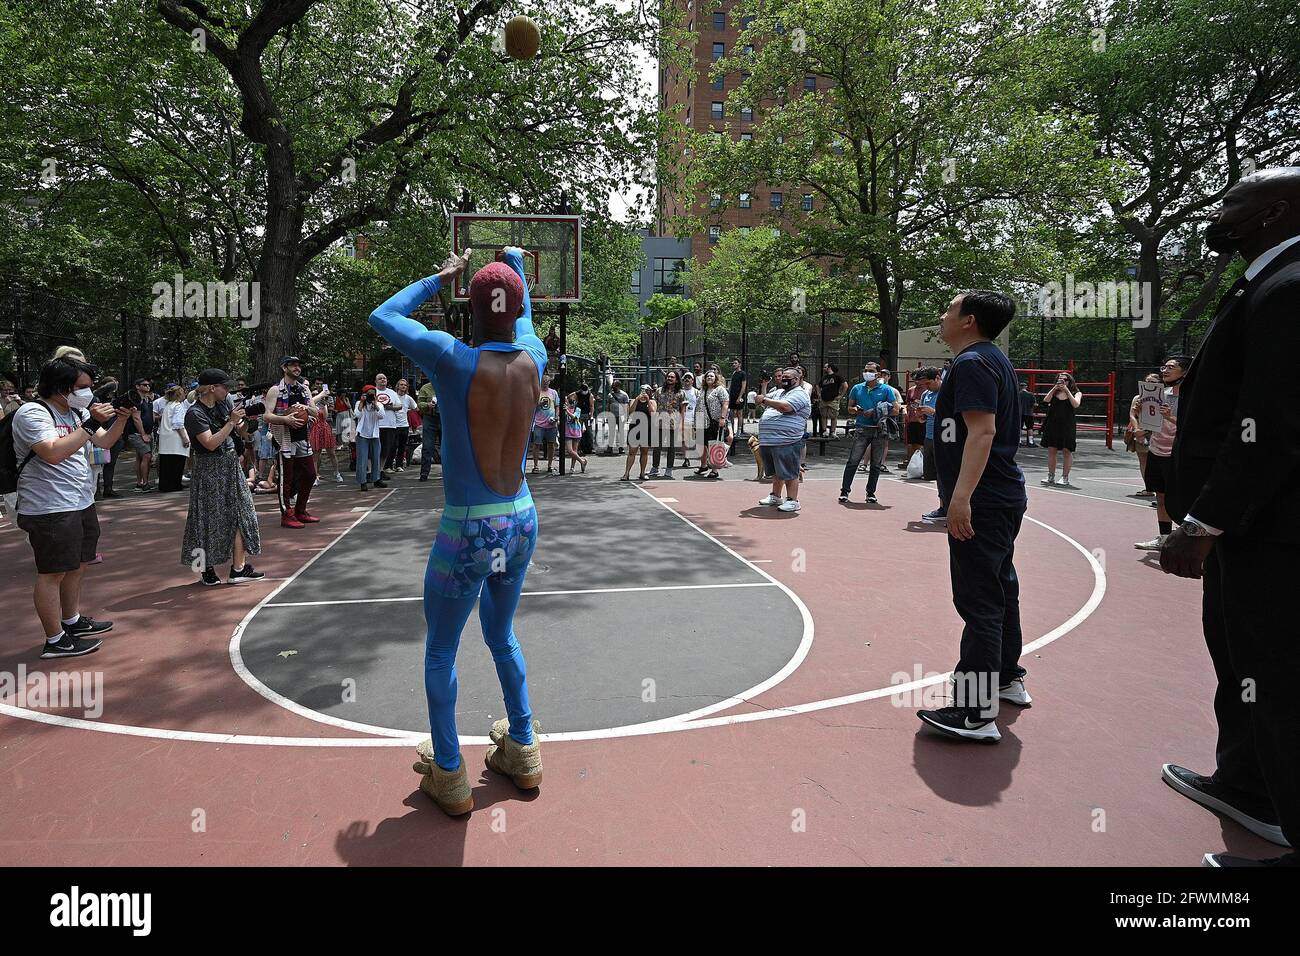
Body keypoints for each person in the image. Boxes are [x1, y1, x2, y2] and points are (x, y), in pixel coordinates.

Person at [369, 246, 545, 816]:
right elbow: (525, 315)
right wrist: (514, 262)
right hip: (520, 518)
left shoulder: (451, 358)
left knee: (442, 650)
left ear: (470, 310)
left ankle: (449, 773)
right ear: (517, 308)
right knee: (503, 635)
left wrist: (438, 277)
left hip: (469, 529)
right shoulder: (535, 358)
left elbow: (383, 317)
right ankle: (522, 745)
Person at [1160, 167, 1300, 867]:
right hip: (1251, 533)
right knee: (1241, 661)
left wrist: (1204, 521)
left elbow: (1269, 423)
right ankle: (1247, 785)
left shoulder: (1291, 286)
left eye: (1231, 204)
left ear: (1274, 211)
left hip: (1272, 534)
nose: (1217, 214)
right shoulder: (1261, 283)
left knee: (1276, 678)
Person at [915, 290, 1028, 743]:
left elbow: (982, 432)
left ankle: (974, 712)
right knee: (1002, 588)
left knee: (979, 599)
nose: (942, 315)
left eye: (950, 309)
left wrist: (959, 499)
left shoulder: (971, 364)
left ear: (969, 320)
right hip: (1000, 496)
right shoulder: (992, 359)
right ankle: (1005, 677)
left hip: (983, 500)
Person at [11, 355, 131, 658]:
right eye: (82, 386)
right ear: (61, 386)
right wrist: (92, 423)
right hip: (48, 507)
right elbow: (52, 452)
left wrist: (122, 417)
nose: (87, 392)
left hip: (80, 500)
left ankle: (72, 621)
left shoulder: (75, 412)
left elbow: (103, 443)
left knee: (78, 564)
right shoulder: (33, 413)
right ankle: (55, 640)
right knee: (52, 572)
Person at [182, 369, 265, 587]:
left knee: (242, 513)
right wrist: (230, 423)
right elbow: (209, 443)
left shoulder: (223, 406)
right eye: (224, 386)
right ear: (212, 388)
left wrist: (244, 421)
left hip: (230, 465)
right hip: (208, 468)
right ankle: (204, 569)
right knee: (204, 519)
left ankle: (239, 568)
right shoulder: (194, 413)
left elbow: (241, 432)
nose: (228, 390)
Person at [1134, 358, 1189, 551]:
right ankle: (1164, 538)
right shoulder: (1160, 394)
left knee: (1182, 499)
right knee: (1161, 497)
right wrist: (1143, 426)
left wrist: (1170, 417)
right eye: (1164, 367)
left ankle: (1187, 540)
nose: (1165, 370)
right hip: (1156, 450)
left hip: (1177, 453)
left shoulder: (1190, 397)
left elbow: (1193, 426)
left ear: (1185, 372)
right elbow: (1153, 422)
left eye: (1171, 367)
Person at [263, 356, 319, 528]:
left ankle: (300, 510)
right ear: (284, 368)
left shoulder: (304, 390)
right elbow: (267, 416)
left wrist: (306, 409)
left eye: (298, 365)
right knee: (286, 479)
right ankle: (286, 514)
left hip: (302, 437)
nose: (297, 368)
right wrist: (285, 419)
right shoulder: (275, 390)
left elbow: (315, 412)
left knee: (310, 474)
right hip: (284, 439)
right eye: (293, 365)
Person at [840, 361, 900, 504]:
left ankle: (871, 493)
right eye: (866, 370)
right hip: (861, 428)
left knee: (876, 463)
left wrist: (876, 411)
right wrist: (857, 410)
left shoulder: (886, 390)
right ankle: (844, 491)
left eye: (871, 370)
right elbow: (849, 408)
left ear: (878, 374)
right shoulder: (857, 388)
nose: (867, 372)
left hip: (879, 429)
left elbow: (895, 409)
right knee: (853, 460)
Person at [755, 366, 810, 512]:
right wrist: (764, 388)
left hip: (787, 441)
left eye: (787, 377)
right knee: (775, 471)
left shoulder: (800, 393)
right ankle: (776, 496)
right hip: (770, 441)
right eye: (782, 377)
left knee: (789, 471)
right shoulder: (779, 392)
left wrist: (765, 400)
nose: (784, 379)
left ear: (797, 379)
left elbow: (786, 407)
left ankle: (793, 500)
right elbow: (764, 399)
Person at [1039, 371, 1081, 487]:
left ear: (1070, 381)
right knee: (1051, 450)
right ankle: (1050, 476)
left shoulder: (1076, 393)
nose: (1062, 382)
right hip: (1053, 423)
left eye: (1065, 380)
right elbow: (1046, 400)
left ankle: (1065, 477)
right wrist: (1054, 388)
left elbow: (1076, 404)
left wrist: (1067, 391)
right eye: (1060, 379)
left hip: (1068, 424)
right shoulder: (1054, 392)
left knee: (1067, 450)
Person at [1125, 373, 1161, 498]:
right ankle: (1149, 488)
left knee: (1160, 461)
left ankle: (1162, 490)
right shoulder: (1138, 398)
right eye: (1148, 382)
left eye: (1153, 382)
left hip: (1159, 432)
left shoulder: (1164, 396)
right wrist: (1137, 430)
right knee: (1143, 461)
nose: (1150, 384)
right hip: (1141, 431)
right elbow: (1132, 415)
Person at [694, 368, 730, 479]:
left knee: (713, 444)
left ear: (716, 378)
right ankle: (704, 465)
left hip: (713, 421)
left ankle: (715, 469)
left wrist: (722, 418)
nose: (709, 378)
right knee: (702, 445)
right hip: (701, 421)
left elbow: (725, 404)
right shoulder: (702, 390)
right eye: (707, 376)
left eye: (711, 376)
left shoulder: (719, 389)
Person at [649, 369, 685, 479]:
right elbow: (653, 404)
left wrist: (682, 424)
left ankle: (669, 469)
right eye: (668, 377)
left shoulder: (681, 393)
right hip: (659, 422)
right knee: (657, 446)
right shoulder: (659, 391)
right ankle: (655, 468)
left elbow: (683, 409)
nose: (669, 378)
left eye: (672, 377)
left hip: (673, 423)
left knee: (671, 447)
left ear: (677, 379)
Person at [156, 384, 190, 492]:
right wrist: (184, 438)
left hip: (165, 438)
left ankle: (165, 485)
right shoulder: (178, 406)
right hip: (175, 438)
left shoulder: (168, 405)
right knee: (177, 463)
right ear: (180, 394)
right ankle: (175, 485)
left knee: (166, 464)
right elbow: (178, 424)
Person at [124, 377, 155, 492]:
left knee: (140, 457)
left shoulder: (147, 400)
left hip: (146, 432)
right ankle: (144, 484)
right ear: (137, 386)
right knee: (147, 455)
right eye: (145, 385)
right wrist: (143, 434)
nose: (148, 386)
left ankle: (139, 483)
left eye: (148, 385)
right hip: (136, 433)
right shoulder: (136, 400)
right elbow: (136, 418)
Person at [353, 385, 385, 491]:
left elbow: (382, 415)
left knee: (376, 457)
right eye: (369, 394)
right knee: (362, 459)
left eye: (373, 393)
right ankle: (362, 481)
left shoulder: (378, 404)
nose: (371, 396)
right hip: (362, 435)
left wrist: (375, 404)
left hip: (374, 434)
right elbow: (357, 415)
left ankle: (376, 479)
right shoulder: (359, 404)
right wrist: (362, 403)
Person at [310, 381, 343, 483]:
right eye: (314, 395)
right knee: (316, 454)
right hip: (315, 429)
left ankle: (337, 473)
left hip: (324, 427)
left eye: (317, 394)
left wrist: (324, 405)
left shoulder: (323, 404)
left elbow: (325, 416)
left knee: (331, 453)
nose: (317, 396)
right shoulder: (310, 405)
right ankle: (315, 476)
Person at [621, 385, 656, 480]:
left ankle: (642, 473)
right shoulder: (634, 400)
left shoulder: (652, 401)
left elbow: (653, 413)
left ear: (650, 392)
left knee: (644, 452)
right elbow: (630, 412)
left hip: (647, 428)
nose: (644, 392)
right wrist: (637, 399)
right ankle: (626, 473)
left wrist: (648, 400)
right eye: (642, 390)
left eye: (646, 390)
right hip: (635, 428)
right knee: (632, 451)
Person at [374, 372, 402, 480]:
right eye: (380, 378)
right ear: (376, 381)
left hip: (389, 425)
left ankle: (381, 470)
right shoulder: (373, 391)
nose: (383, 380)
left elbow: (399, 405)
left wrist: (390, 407)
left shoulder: (392, 392)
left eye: (384, 378)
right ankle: (372, 471)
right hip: (375, 425)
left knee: (385, 450)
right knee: (375, 450)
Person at [386, 379, 417, 471]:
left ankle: (399, 465)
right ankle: (388, 466)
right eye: (401, 385)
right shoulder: (393, 396)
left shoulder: (408, 398)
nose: (403, 386)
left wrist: (408, 411)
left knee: (402, 446)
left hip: (404, 425)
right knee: (393, 446)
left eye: (405, 385)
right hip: (394, 424)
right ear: (398, 386)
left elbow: (416, 408)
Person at [530, 375, 559, 474]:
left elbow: (557, 406)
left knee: (551, 444)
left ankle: (550, 465)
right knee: (536, 444)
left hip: (551, 423)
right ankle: (535, 466)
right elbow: (532, 406)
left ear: (550, 382)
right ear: (541, 381)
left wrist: (556, 417)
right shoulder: (537, 392)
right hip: (539, 423)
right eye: (544, 381)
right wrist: (539, 404)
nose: (546, 382)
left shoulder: (553, 392)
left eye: (547, 381)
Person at [416, 377, 441, 481]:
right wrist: (428, 404)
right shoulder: (426, 388)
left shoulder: (446, 386)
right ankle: (424, 473)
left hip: (444, 418)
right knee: (427, 446)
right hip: (429, 418)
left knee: (447, 447)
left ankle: (449, 473)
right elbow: (419, 404)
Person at [818, 363, 846, 439]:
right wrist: (819, 395)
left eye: (825, 367)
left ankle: (832, 432)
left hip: (833, 400)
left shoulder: (837, 377)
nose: (824, 368)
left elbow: (845, 385)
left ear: (829, 368)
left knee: (834, 416)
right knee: (823, 416)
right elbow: (818, 385)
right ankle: (824, 431)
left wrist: (841, 396)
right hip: (824, 400)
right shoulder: (824, 378)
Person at [562, 395, 587, 473]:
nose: (572, 404)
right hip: (568, 432)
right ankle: (582, 461)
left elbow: (575, 417)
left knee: (575, 450)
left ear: (576, 402)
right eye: (570, 402)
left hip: (576, 432)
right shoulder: (565, 408)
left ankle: (572, 468)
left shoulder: (577, 409)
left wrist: (567, 411)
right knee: (570, 450)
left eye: (573, 402)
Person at [678, 372, 699, 466]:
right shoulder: (679, 392)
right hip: (683, 419)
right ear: (683, 380)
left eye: (689, 378)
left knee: (698, 440)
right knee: (684, 440)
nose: (687, 379)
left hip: (695, 419)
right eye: (685, 378)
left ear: (692, 380)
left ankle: (703, 459)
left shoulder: (696, 392)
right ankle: (686, 458)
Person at [606, 379, 629, 454]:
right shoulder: (610, 395)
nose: (613, 387)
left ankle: (621, 447)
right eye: (613, 385)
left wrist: (626, 416)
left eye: (614, 386)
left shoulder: (624, 395)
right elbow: (608, 405)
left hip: (620, 416)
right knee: (611, 432)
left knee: (621, 432)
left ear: (618, 386)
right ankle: (610, 447)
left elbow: (626, 406)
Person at [727, 358, 747, 436]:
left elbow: (743, 386)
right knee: (731, 414)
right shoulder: (734, 373)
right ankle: (731, 430)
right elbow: (731, 385)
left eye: (735, 363)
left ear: (739, 364)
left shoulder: (743, 373)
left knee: (739, 413)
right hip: (732, 396)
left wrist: (739, 397)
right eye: (733, 363)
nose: (734, 364)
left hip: (740, 397)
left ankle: (739, 431)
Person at [1018, 381, 1036, 446]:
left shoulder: (1018, 394)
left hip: (1020, 413)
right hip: (1029, 413)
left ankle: (1019, 441)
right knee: (1030, 428)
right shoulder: (1031, 394)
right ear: (1026, 387)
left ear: (1020, 387)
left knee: (1019, 427)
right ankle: (1031, 442)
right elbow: (1034, 404)